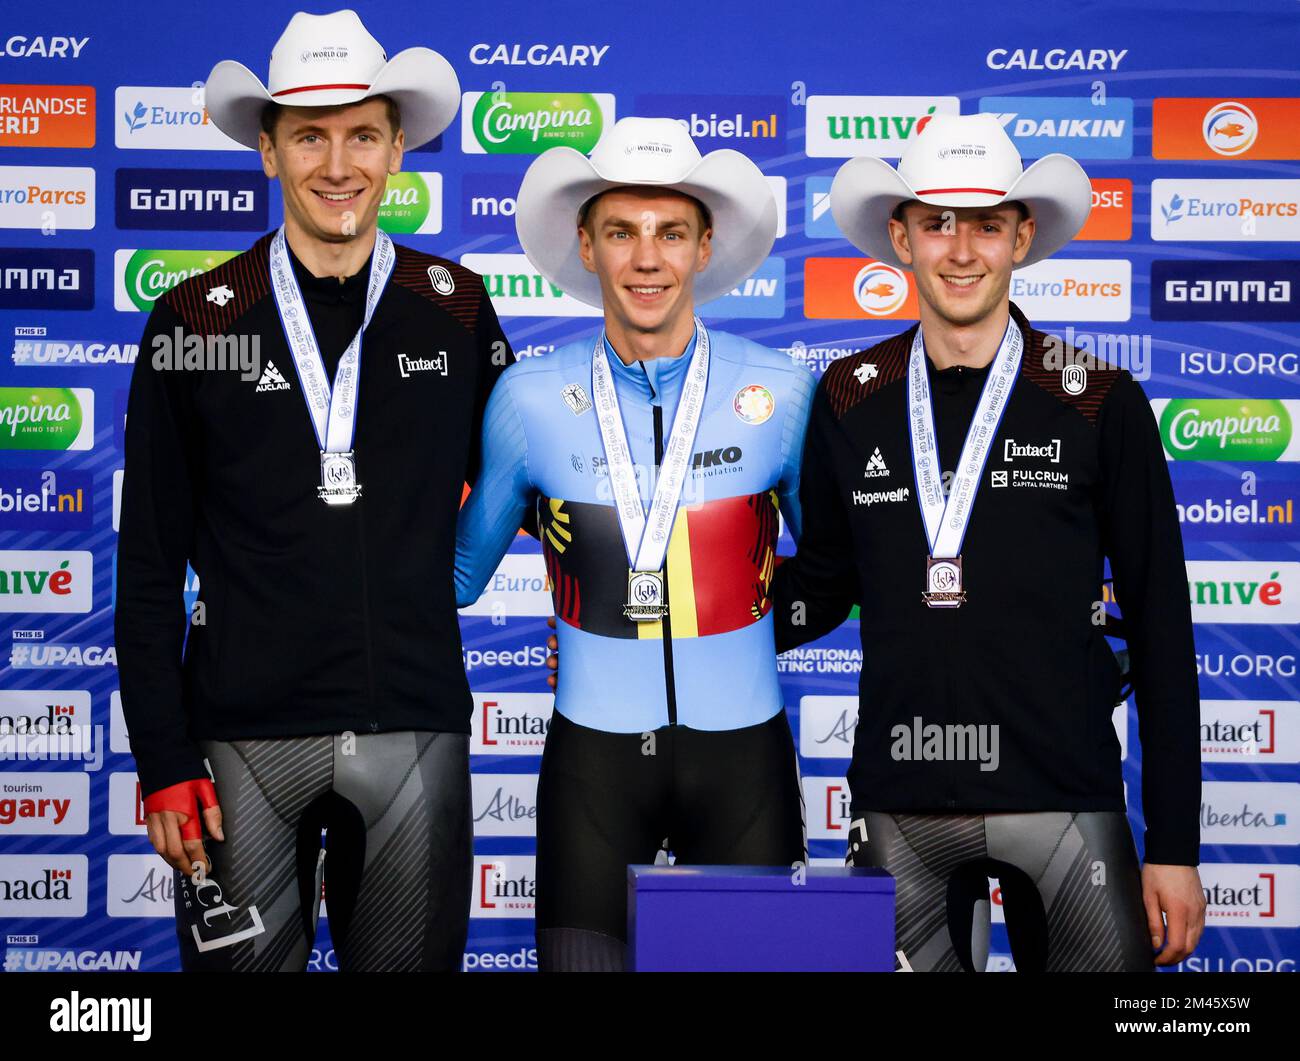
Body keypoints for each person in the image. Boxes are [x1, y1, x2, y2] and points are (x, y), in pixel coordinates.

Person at [115, 10, 512, 971]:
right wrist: (164, 759)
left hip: (413, 724)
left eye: (362, 134)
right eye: (309, 136)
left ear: (398, 148)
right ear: (268, 151)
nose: (338, 164)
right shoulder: (193, 319)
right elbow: (147, 567)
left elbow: (534, 473)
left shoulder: (457, 307)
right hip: (241, 743)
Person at [772, 113, 1205, 972]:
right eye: (936, 222)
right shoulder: (848, 399)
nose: (960, 250)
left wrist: (1178, 846)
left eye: (985, 224)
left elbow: (1162, 628)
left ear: (1022, 236)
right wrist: (660, 620)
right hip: (902, 798)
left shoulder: (1099, 400)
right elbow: (818, 587)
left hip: (1065, 796)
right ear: (900, 237)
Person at [455, 117, 812, 971]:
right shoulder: (528, 397)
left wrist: (741, 607)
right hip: (593, 772)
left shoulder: (781, 388)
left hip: (746, 767)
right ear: (585, 244)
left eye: (670, 232)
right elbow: (460, 575)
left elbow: (839, 569)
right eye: (622, 231)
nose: (646, 259)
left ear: (703, 245)